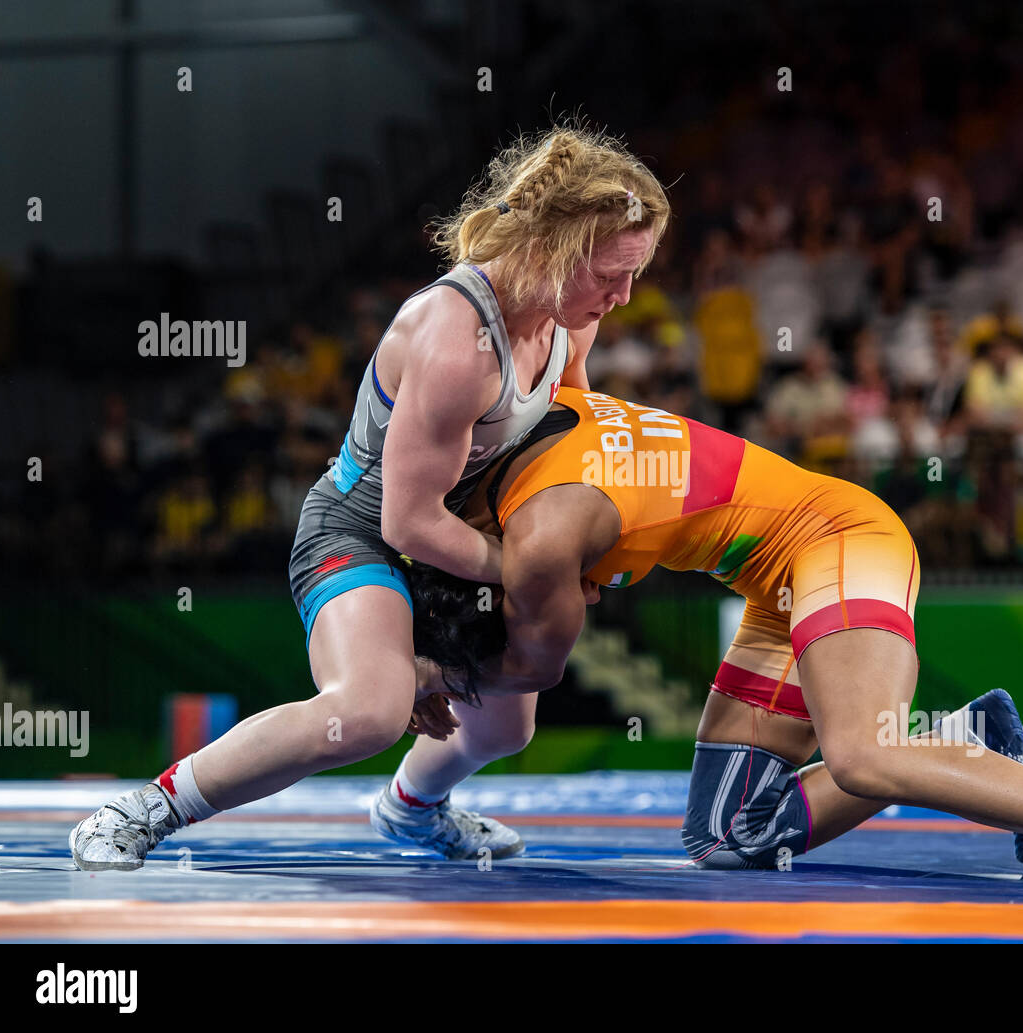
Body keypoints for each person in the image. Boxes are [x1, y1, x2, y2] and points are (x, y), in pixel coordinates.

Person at [69, 126, 671, 870]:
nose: (624, 296)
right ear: (553, 249)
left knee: (504, 727)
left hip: (459, 531)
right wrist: (534, 570)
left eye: (633, 274)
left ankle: (412, 807)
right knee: (366, 711)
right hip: (363, 530)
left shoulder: (568, 321)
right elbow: (407, 522)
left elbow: (564, 441)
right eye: (612, 274)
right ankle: (145, 809)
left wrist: (585, 545)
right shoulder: (455, 342)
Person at [396, 386, 1023, 885]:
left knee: (861, 753)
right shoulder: (544, 406)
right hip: (776, 581)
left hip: (841, 537)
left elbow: (535, 668)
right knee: (727, 837)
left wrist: (428, 675)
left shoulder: (542, 540)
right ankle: (965, 739)